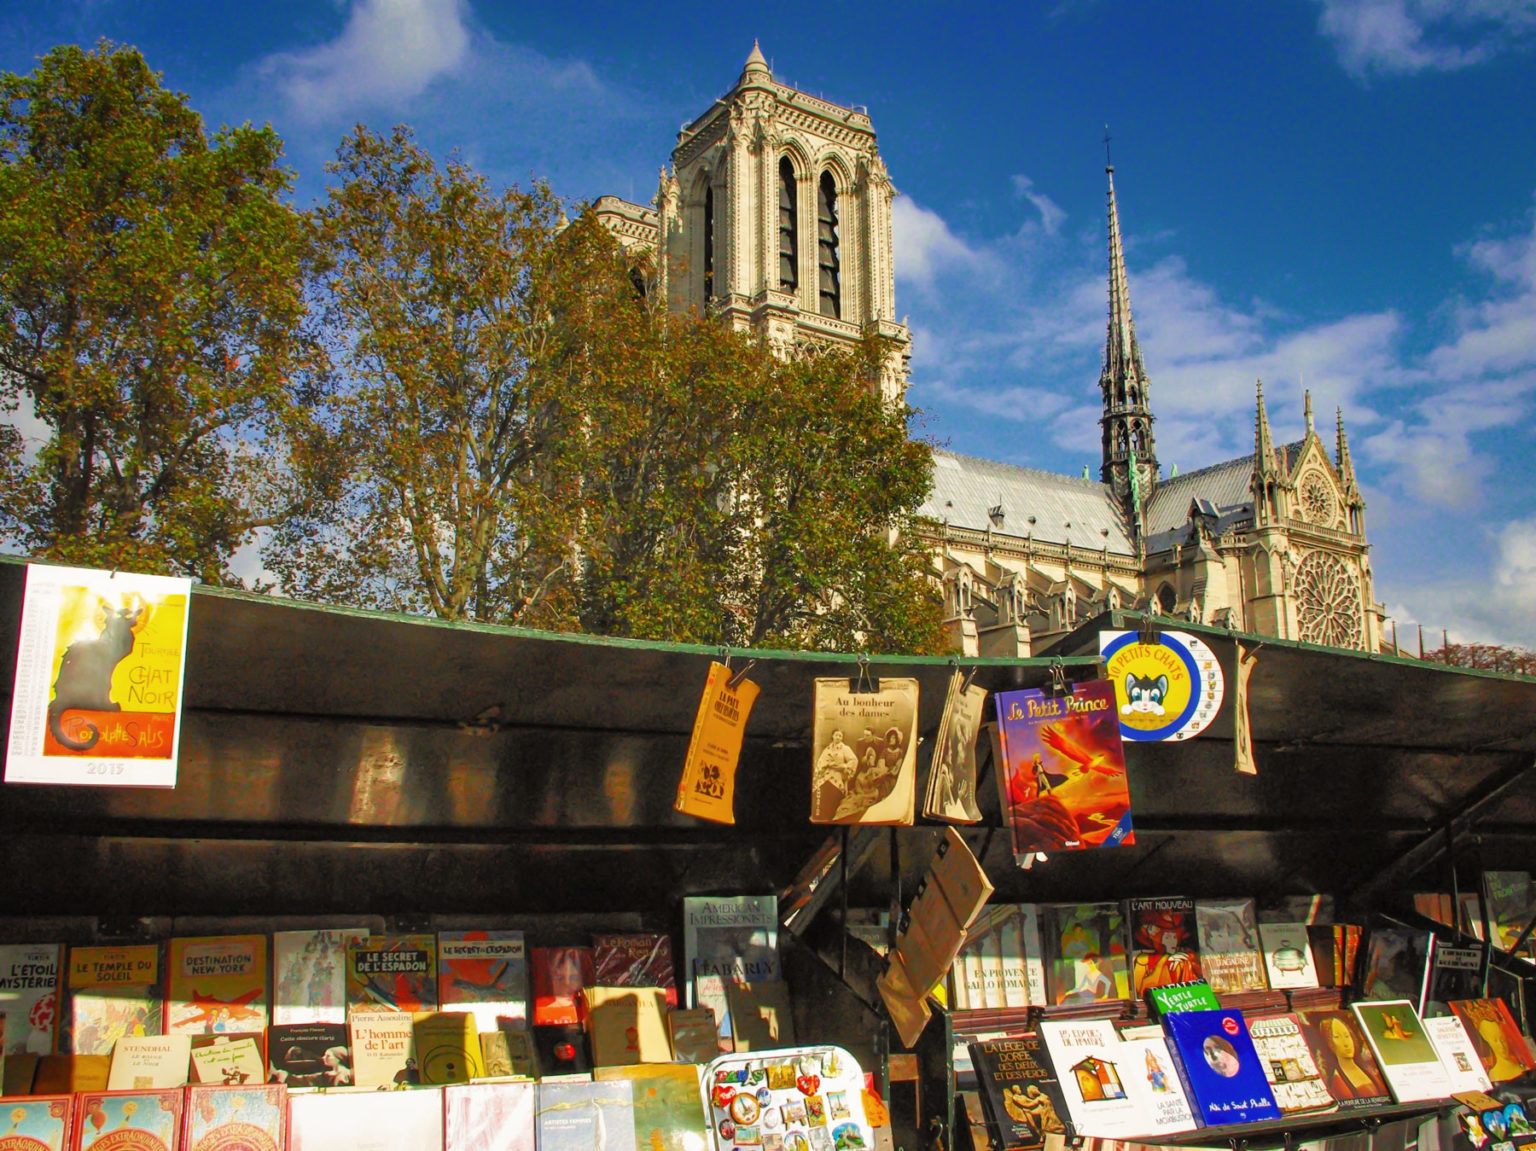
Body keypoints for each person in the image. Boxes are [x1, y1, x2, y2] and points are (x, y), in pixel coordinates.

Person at [1311, 1014, 1385, 1099]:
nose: (1346, 1043)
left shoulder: (1368, 1068)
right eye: (1337, 1037)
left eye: (1347, 1036)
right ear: (1329, 1043)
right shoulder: (1338, 1082)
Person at [813, 730, 859, 820]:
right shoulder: (827, 749)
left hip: (838, 776)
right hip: (826, 775)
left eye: (840, 736)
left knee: (832, 794)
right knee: (820, 793)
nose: (838, 737)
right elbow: (820, 763)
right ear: (832, 736)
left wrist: (844, 767)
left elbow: (854, 760)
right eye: (836, 735)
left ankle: (830, 817)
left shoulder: (845, 748)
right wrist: (824, 767)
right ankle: (822, 817)